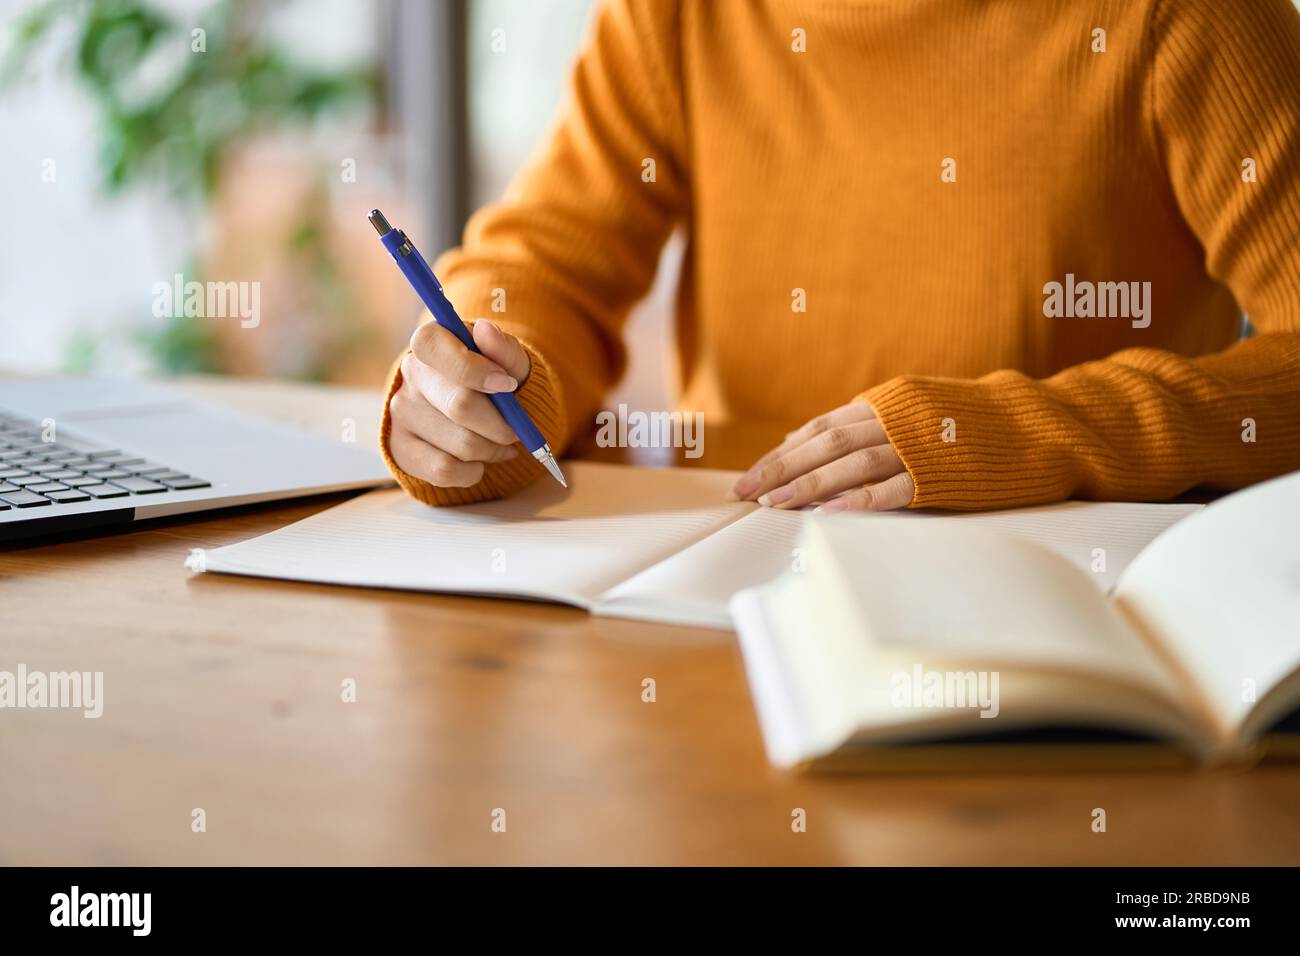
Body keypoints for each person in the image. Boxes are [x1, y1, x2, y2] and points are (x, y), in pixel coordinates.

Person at [382, 0, 1300, 513]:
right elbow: (546, 264)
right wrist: (486, 403)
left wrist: (1024, 433)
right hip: (726, 570)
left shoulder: (1188, 19)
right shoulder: (677, 15)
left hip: (1063, 591)